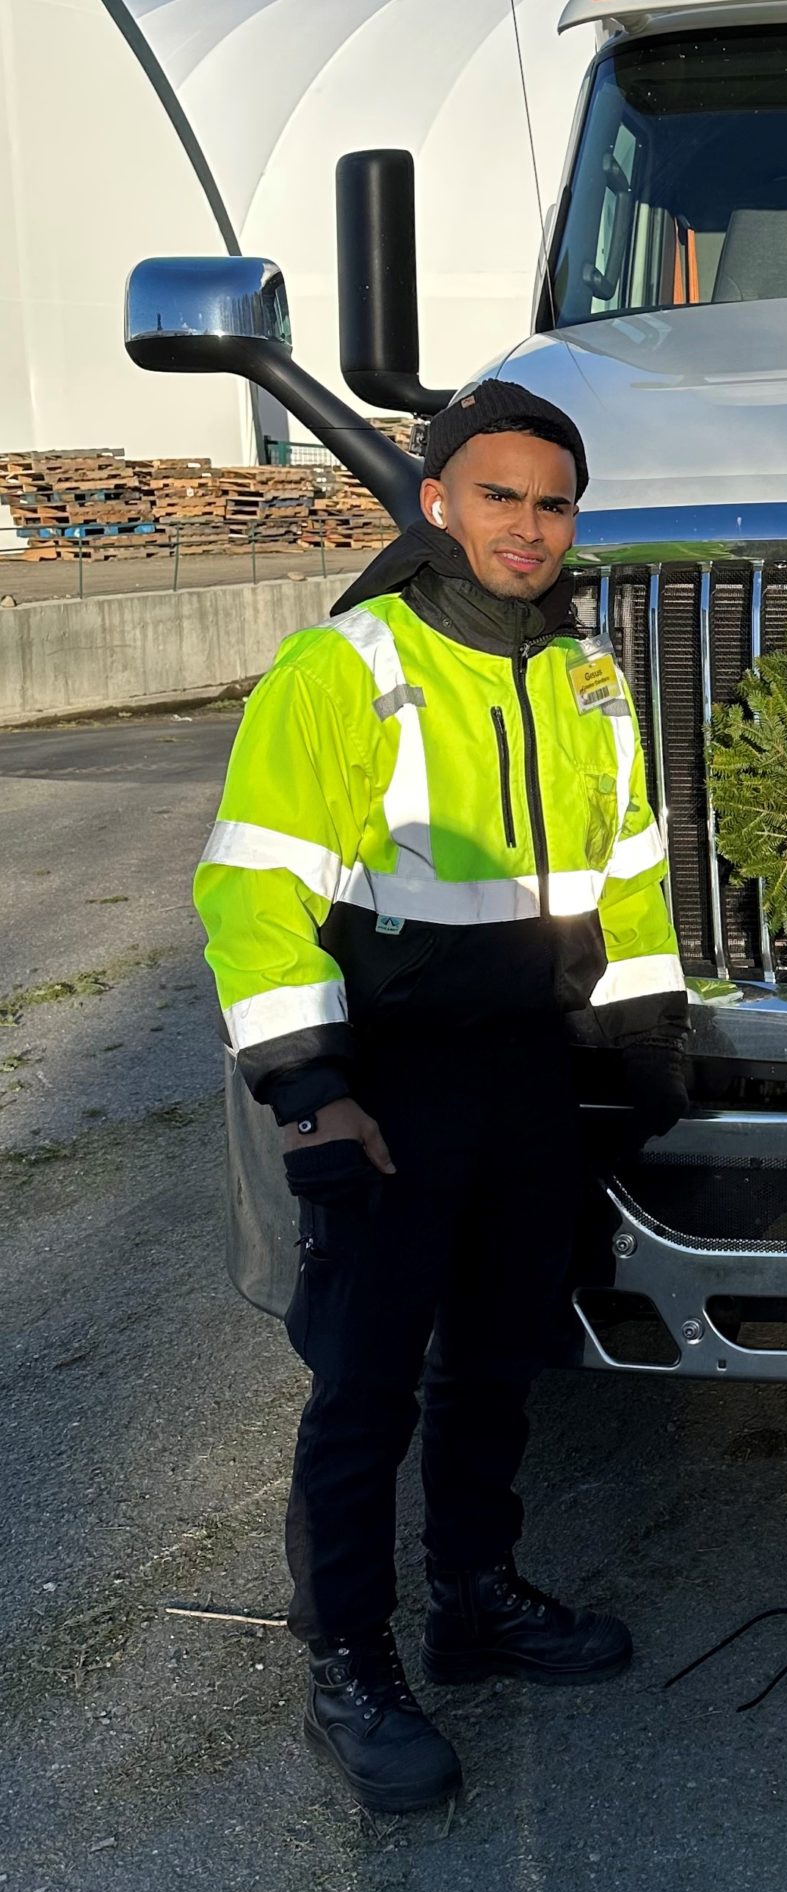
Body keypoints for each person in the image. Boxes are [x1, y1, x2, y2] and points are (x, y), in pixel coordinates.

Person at [193, 382, 686, 1814]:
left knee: (494, 1358)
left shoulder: (586, 674)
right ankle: (346, 1662)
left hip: (530, 1071)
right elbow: (252, 889)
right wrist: (308, 1091)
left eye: (553, 503)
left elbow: (633, 854)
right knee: (363, 1385)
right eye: (499, 497)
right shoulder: (345, 671)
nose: (529, 527)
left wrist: (646, 1019)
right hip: (390, 1087)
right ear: (435, 504)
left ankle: (474, 1601)